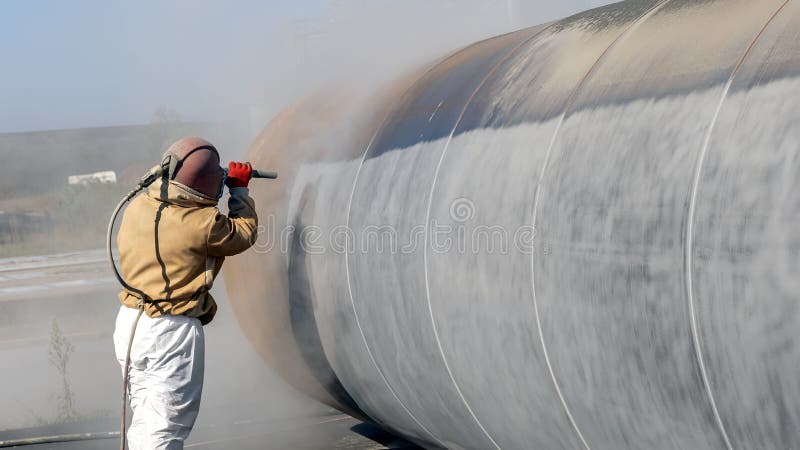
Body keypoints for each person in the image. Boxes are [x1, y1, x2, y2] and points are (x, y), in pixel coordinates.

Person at [112, 137, 258, 450]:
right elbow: (243, 233)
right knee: (167, 426)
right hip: (171, 331)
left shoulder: (136, 205)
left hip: (130, 324)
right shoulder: (202, 222)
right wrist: (240, 190)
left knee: (143, 417)